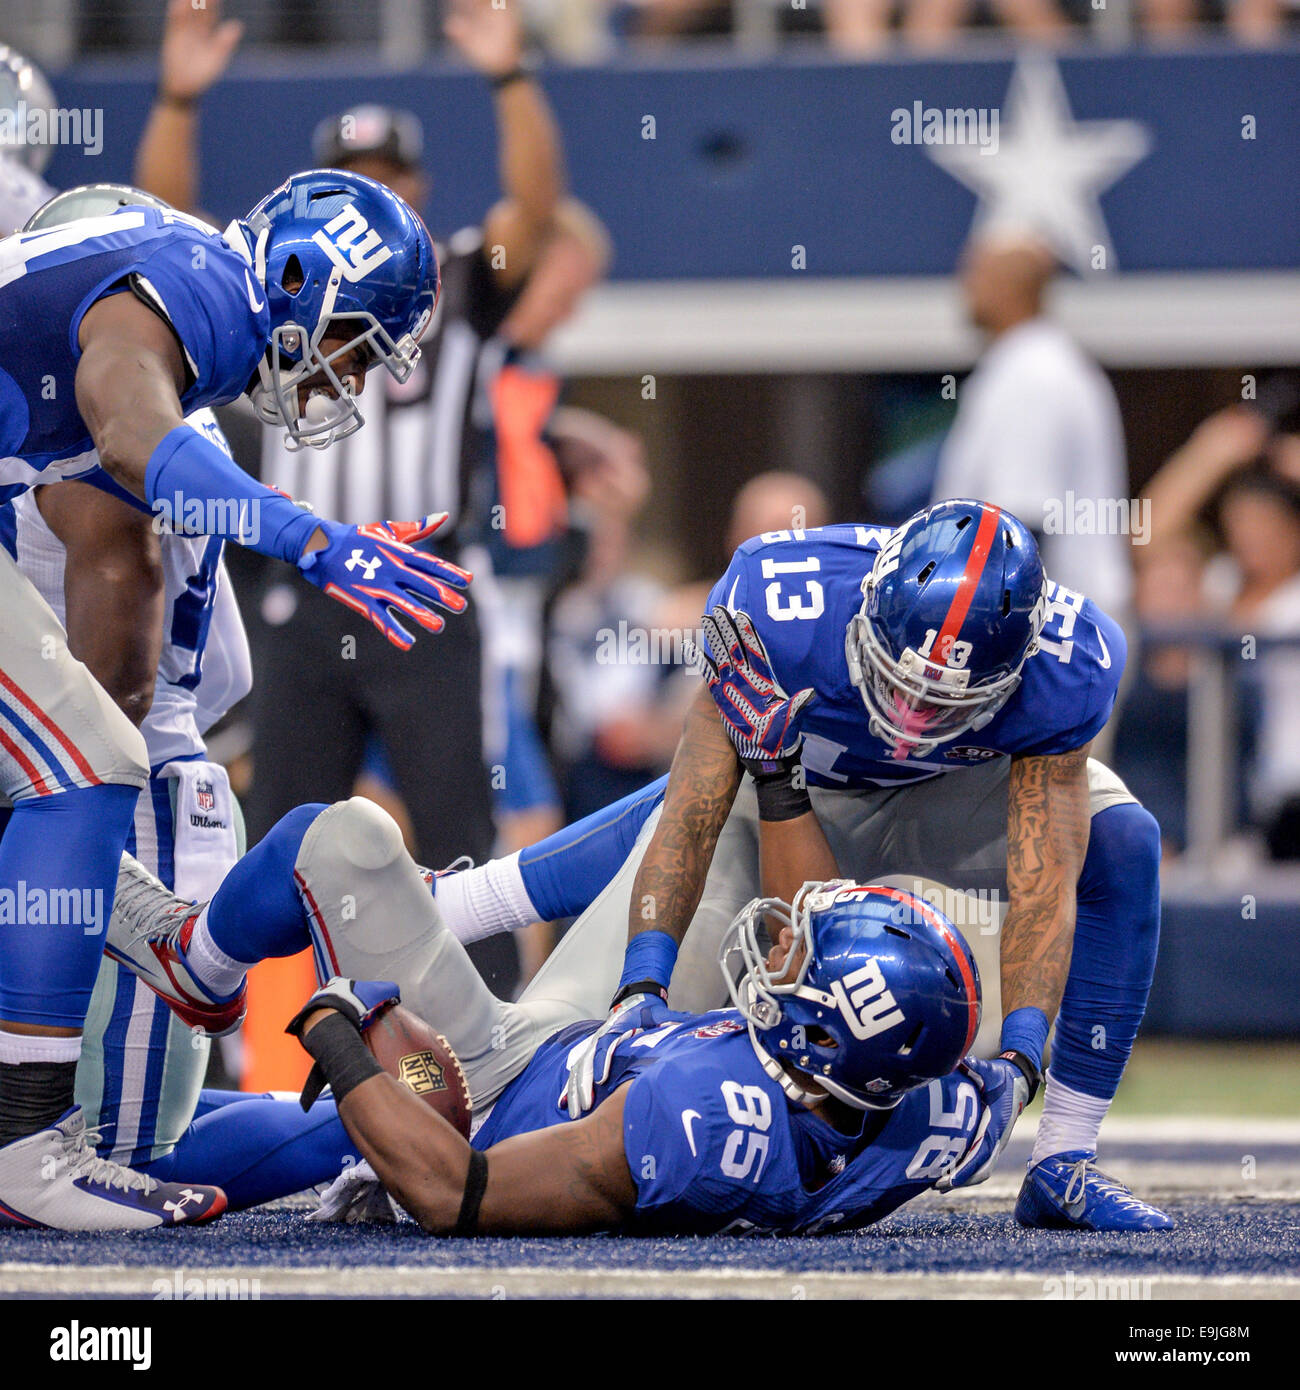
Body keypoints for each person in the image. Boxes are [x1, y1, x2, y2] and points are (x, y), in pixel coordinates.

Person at [0, 167, 465, 1229]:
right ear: (303, 279)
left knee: (76, 768)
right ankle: (31, 1136)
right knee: (85, 766)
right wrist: (313, 537)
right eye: (351, 339)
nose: (345, 374)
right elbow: (127, 439)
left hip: (160, 790)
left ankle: (144, 958)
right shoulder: (196, 289)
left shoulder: (165, 281)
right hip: (166, 787)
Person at [583, 500, 1170, 1231]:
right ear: (868, 607)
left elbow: (1042, 883)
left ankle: (1063, 1161)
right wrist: (641, 983)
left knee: (1124, 843)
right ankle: (463, 903)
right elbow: (689, 815)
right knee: (584, 1045)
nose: (913, 716)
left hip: (951, 800)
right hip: (790, 797)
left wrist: (1018, 1069)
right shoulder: (778, 602)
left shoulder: (1066, 661)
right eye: (901, 681)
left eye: (944, 700)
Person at [99, 779, 1010, 1236]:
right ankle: (466, 904)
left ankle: (193, 970)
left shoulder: (693, 1112)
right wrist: (1026, 1068)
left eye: (801, 968)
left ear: (818, 1039)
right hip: (595, 1044)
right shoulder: (926, 1101)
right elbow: (993, 1084)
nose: (777, 958)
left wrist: (337, 1036)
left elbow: (457, 1191)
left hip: (469, 1095)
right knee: (712, 791)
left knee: (337, 843)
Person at [932, 232, 1133, 623]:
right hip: (1058, 618)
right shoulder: (1025, 363)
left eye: (976, 274)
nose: (966, 287)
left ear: (1011, 286)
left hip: (1059, 628)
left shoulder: (1034, 374)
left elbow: (1020, 529)